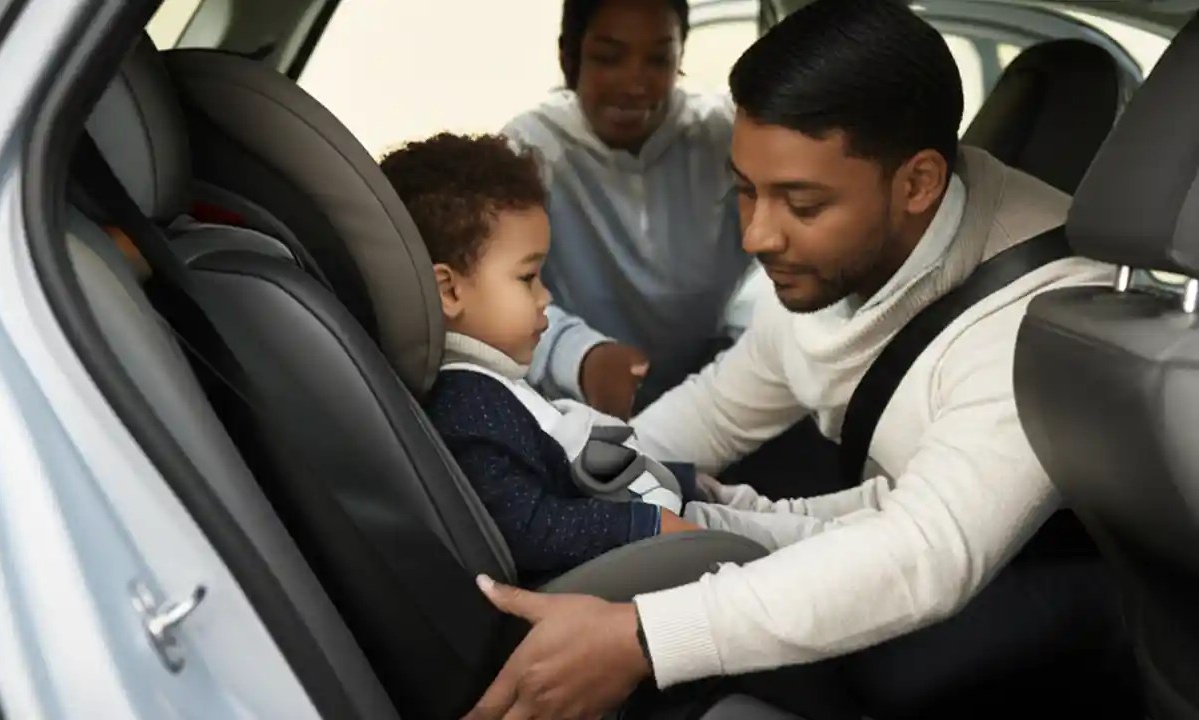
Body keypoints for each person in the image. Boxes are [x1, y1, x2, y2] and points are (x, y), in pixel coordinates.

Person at [463, 2, 1126, 718]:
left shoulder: (1041, 317)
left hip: (1050, 591)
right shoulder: (834, 258)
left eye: (800, 205)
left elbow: (924, 554)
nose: (755, 236)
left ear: (917, 183)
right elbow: (720, 408)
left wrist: (647, 637)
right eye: (745, 191)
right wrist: (569, 486)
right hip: (898, 524)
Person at [379, 132, 705, 584]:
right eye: (528, 277)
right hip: (634, 563)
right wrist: (644, 525)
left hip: (659, 508)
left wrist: (685, 483)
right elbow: (526, 527)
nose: (545, 296)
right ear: (449, 290)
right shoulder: (468, 403)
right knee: (781, 541)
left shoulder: (491, 384)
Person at [505, 0, 755, 419]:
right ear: (569, 56)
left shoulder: (721, 136)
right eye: (609, 58)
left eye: (658, 59)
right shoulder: (529, 151)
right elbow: (496, 290)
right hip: (582, 404)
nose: (635, 84)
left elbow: (772, 264)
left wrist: (745, 345)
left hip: (728, 384)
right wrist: (580, 356)